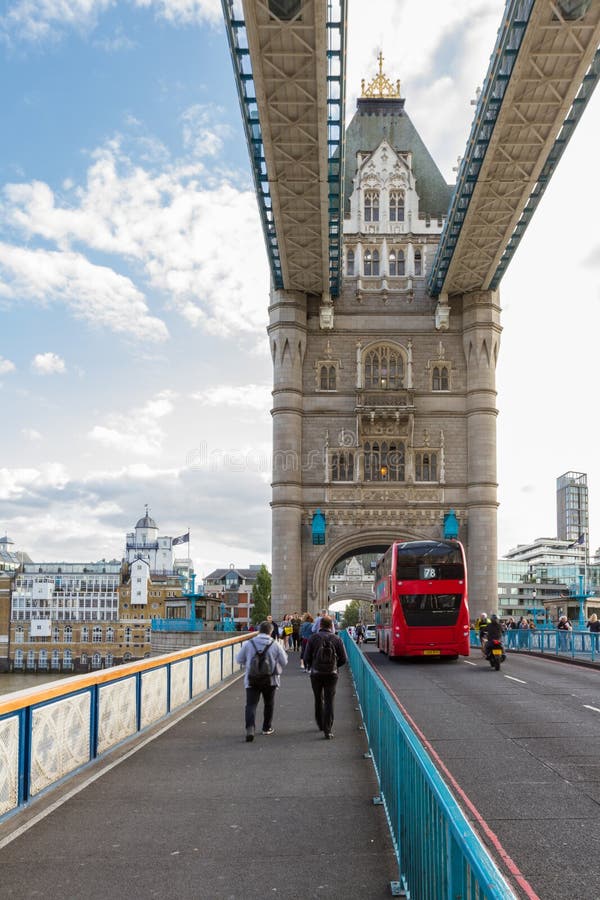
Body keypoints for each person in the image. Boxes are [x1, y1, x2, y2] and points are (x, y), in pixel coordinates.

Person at [236, 621, 288, 742]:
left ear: (259, 630)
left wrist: (250, 664)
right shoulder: (275, 644)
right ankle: (266, 727)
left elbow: (239, 659)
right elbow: (284, 661)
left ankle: (250, 728)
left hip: (252, 679)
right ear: (271, 631)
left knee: (251, 705)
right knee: (269, 703)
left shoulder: (249, 643)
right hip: (270, 680)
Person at [303, 615, 347, 740]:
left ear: (320, 625)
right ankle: (328, 730)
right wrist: (335, 667)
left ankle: (320, 724)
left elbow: (306, 657)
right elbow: (344, 659)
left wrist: (312, 666)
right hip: (332, 674)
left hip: (316, 673)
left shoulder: (313, 638)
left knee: (318, 699)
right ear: (331, 626)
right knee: (329, 700)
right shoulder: (337, 639)